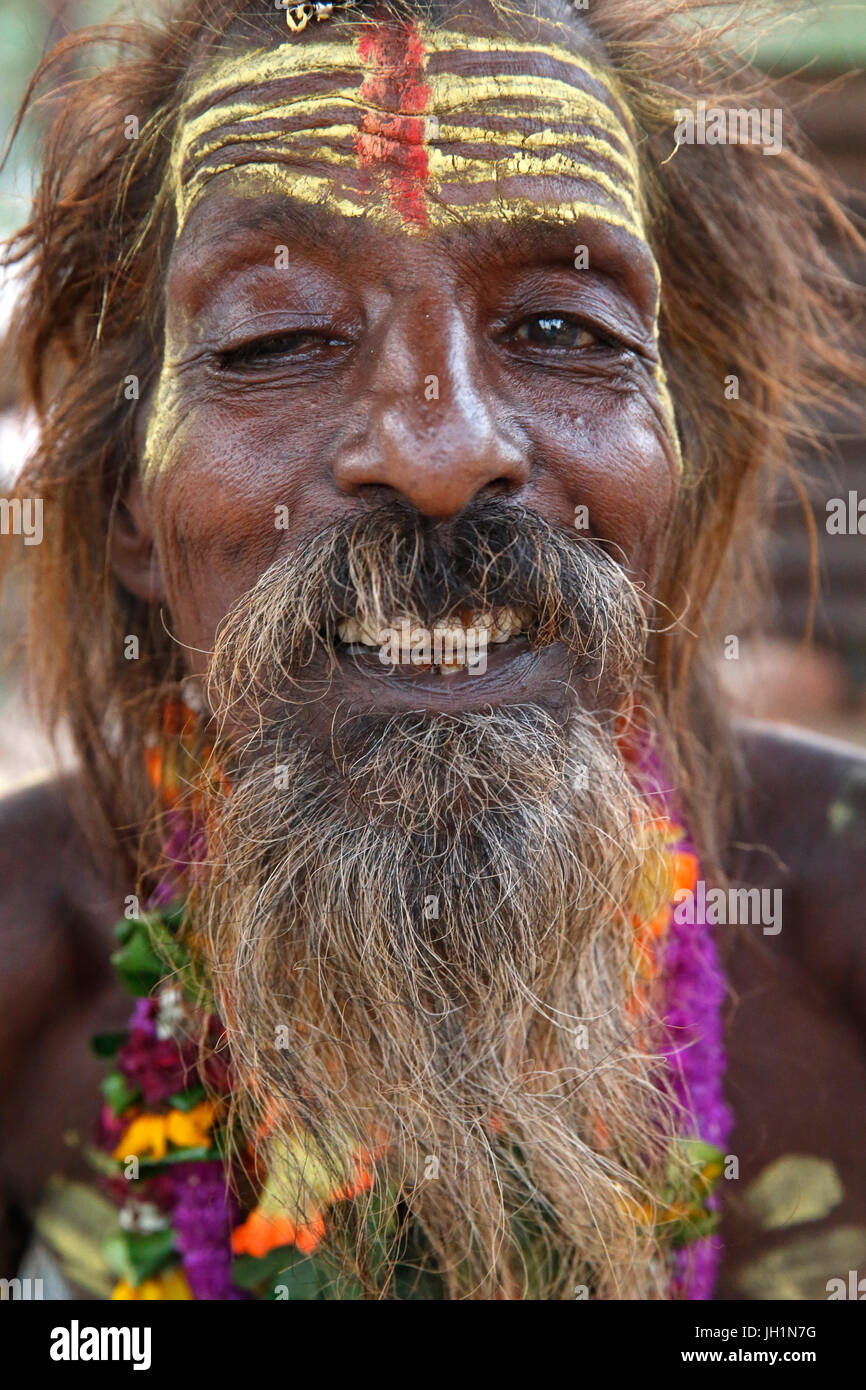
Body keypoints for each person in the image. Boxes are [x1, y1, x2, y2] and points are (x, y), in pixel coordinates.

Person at [1, 0, 864, 1300]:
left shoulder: (835, 931)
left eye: (565, 331)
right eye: (277, 339)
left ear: (678, 471)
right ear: (132, 503)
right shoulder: (33, 963)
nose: (444, 448)